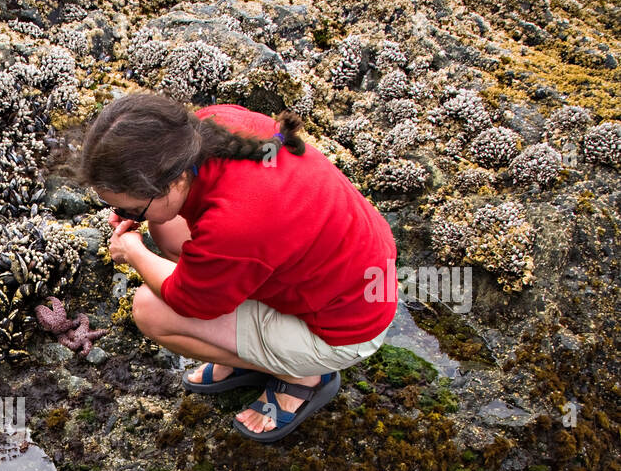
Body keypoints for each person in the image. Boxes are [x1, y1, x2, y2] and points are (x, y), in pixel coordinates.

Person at [70, 94, 398, 441]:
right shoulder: (210, 125)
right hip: (358, 271)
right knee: (164, 227)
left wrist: (133, 251)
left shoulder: (235, 225)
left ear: (174, 180)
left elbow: (186, 300)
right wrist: (137, 213)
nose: (123, 216)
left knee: (151, 310)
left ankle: (304, 377)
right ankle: (254, 345)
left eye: (132, 208)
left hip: (346, 330)